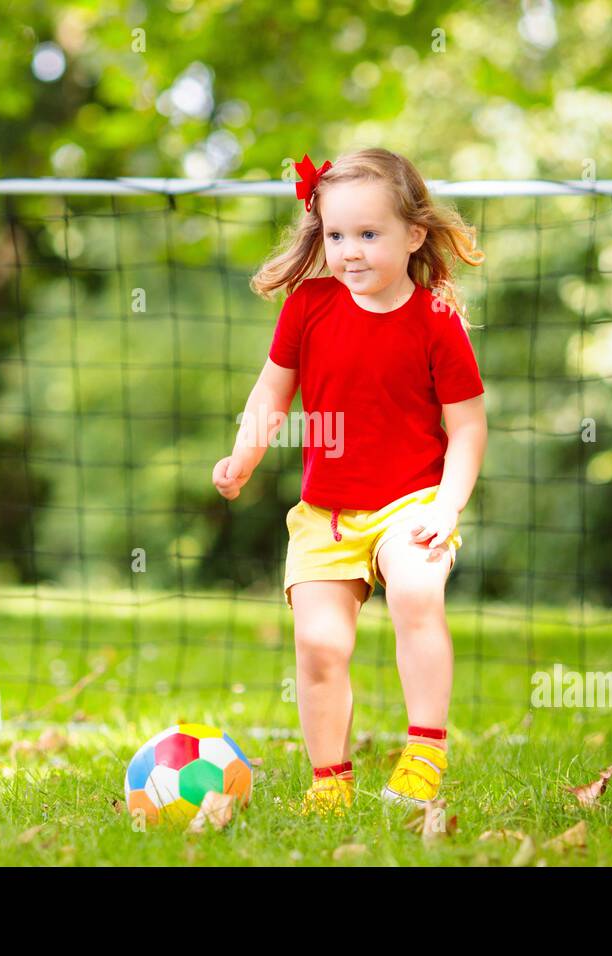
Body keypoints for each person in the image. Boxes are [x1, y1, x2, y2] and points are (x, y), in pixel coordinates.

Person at [212, 147, 488, 814]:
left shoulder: (436, 322)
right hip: (325, 515)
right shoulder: (309, 307)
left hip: (412, 502)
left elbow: (470, 428)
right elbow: (271, 394)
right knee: (318, 643)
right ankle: (329, 783)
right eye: (336, 235)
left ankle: (423, 751)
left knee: (417, 594)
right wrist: (244, 455)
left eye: (369, 234)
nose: (351, 251)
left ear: (413, 234)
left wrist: (448, 506)